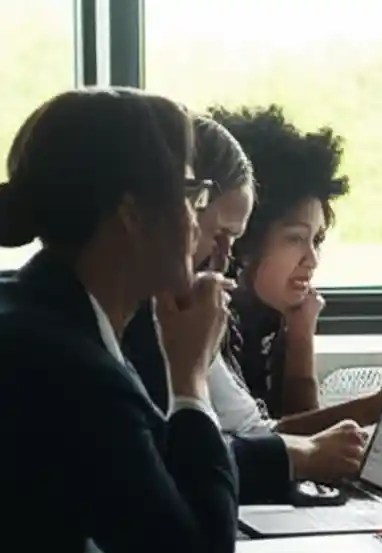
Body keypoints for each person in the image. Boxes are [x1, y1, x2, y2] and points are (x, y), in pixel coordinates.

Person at [0, 88, 238, 553]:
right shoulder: (72, 367)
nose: (197, 221)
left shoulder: (38, 317)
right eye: (192, 196)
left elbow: (30, 518)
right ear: (131, 215)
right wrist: (190, 378)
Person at [122, 116, 367, 493]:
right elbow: (175, 471)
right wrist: (308, 452)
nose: (224, 255)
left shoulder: (234, 319)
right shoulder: (165, 313)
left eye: (316, 240)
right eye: (296, 239)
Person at [211, 104, 382, 432]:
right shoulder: (208, 320)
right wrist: (380, 405)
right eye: (295, 239)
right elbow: (263, 443)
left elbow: (309, 445)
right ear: (244, 240)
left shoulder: (268, 319)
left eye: (317, 240)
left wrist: (301, 334)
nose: (312, 259)